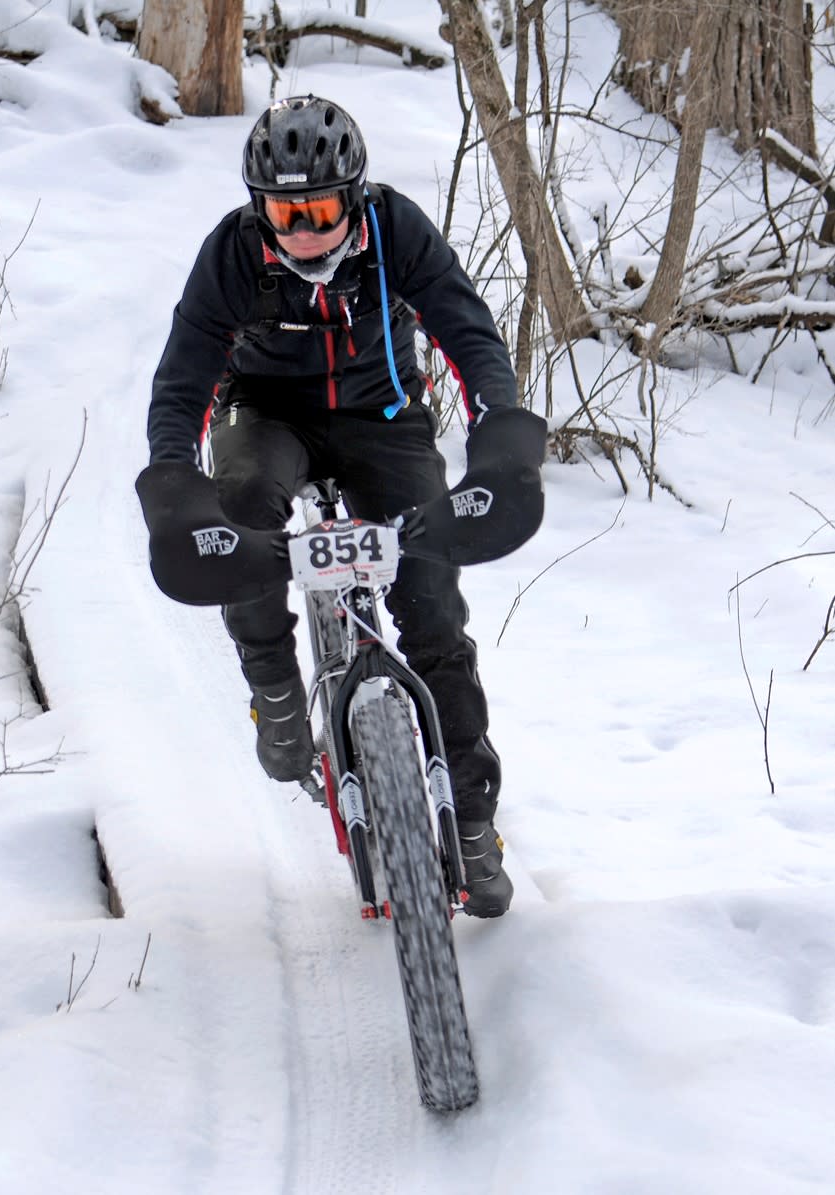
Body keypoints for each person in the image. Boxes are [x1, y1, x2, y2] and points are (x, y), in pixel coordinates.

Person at [143, 95, 540, 918]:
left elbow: (467, 334)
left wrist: (499, 431)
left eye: (318, 210)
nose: (301, 232)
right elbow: (184, 379)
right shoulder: (234, 253)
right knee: (243, 504)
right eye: (283, 212)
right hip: (266, 413)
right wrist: (174, 483)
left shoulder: (395, 230)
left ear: (352, 197)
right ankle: (278, 691)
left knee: (432, 605)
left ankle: (470, 820)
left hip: (381, 415)